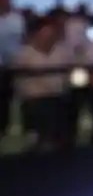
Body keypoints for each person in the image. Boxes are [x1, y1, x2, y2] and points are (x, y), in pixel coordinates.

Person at [12, 19, 74, 152]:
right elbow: (20, 81)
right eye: (44, 34)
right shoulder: (24, 54)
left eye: (52, 35)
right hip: (35, 98)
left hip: (60, 96)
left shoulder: (62, 52)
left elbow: (71, 72)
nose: (48, 38)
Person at [0, 0, 25, 138]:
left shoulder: (17, 19)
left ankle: (12, 126)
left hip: (15, 63)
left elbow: (22, 39)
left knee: (13, 96)